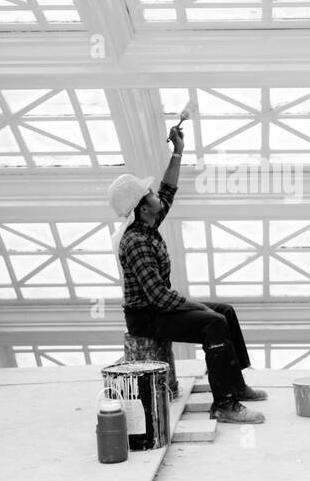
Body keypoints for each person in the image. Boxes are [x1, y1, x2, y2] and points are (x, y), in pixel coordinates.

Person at [108, 121, 268, 424]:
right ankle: (224, 404)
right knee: (213, 323)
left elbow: (168, 191)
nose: (156, 194)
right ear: (143, 208)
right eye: (150, 193)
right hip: (147, 317)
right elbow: (158, 296)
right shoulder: (137, 242)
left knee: (226, 312)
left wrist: (178, 152)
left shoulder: (148, 224)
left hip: (157, 308)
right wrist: (196, 305)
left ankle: (236, 385)